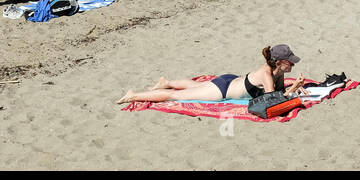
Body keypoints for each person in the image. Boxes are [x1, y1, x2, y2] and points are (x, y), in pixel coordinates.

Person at [116, 44, 305, 105]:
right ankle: (134, 95)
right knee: (175, 96)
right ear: (280, 62)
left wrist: (292, 88)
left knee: (197, 87)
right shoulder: (266, 73)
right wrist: (293, 90)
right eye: (290, 61)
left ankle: (167, 81)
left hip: (231, 81)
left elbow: (278, 92)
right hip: (222, 91)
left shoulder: (277, 72)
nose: (293, 64)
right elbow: (271, 100)